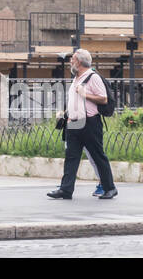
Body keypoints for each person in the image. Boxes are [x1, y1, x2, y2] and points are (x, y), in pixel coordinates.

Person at [48, 49, 116, 200]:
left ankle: (110, 188)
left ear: (79, 62)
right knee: (71, 158)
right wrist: (66, 114)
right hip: (73, 123)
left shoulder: (93, 77)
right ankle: (65, 190)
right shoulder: (76, 78)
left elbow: (103, 98)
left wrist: (85, 94)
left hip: (90, 123)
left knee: (98, 156)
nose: (70, 61)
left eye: (72, 59)